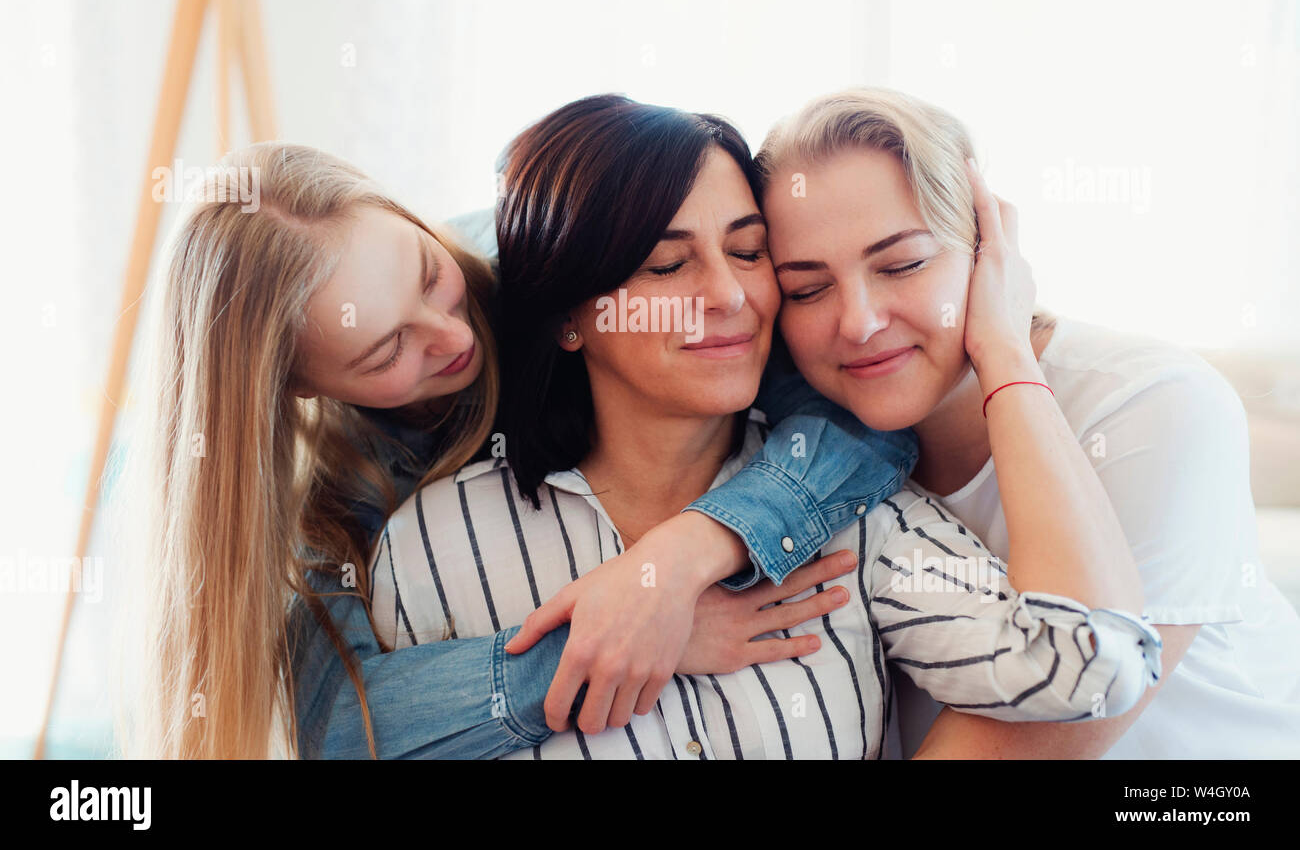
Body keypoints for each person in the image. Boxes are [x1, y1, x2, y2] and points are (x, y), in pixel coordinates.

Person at [370, 93, 1162, 759]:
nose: (731, 296)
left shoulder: (856, 516)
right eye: (668, 265)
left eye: (748, 253)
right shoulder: (429, 548)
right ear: (570, 316)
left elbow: (1089, 670)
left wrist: (1001, 345)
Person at [115, 142, 911, 759]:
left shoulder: (556, 256)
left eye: (429, 277)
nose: (455, 336)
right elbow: (341, 733)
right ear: (300, 387)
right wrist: (619, 648)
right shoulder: (344, 494)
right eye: (386, 352)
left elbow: (865, 417)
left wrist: (680, 558)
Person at [756, 87, 1300, 758]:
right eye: (806, 289)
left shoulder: (1157, 405)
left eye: (903, 264)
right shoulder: (801, 446)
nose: (859, 322)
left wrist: (1004, 350)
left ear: (989, 250)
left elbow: (1048, 728)